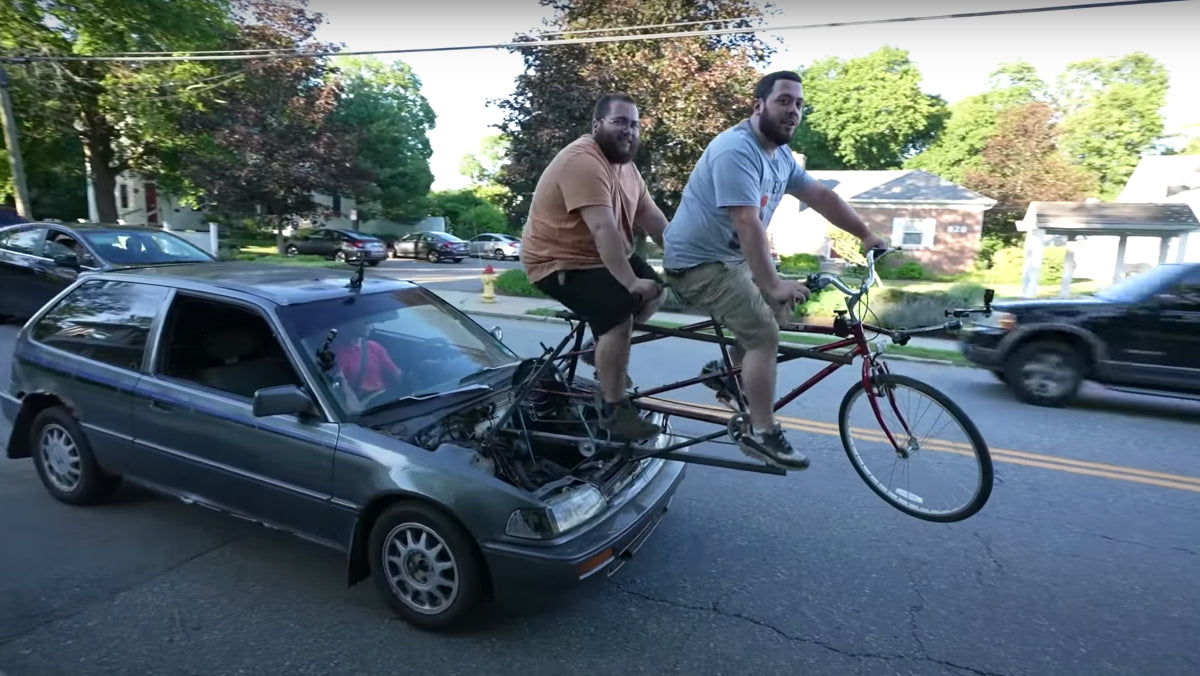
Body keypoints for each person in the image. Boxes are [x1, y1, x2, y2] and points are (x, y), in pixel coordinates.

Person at [661, 70, 888, 470]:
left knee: (778, 312)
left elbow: (820, 195)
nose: (794, 111)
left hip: (728, 260)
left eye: (800, 104)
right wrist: (772, 282)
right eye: (785, 100)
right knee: (764, 334)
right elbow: (747, 223)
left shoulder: (780, 156)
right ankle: (761, 432)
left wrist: (866, 234)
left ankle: (729, 374)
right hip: (697, 263)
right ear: (759, 106)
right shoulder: (736, 151)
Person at [520, 93, 671, 442]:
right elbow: (603, 228)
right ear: (597, 125)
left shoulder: (627, 168)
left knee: (655, 293)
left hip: (597, 254)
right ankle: (614, 412)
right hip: (556, 260)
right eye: (619, 121)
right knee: (619, 312)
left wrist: (691, 259)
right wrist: (630, 281)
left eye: (634, 124)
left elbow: (654, 220)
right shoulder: (583, 162)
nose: (629, 131)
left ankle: (595, 351)